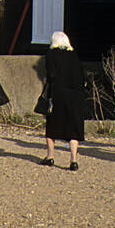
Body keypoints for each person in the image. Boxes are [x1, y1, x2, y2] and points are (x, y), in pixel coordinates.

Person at [40, 31, 87, 170]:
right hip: (76, 95)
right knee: (73, 126)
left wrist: (46, 80)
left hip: (58, 94)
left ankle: (50, 157)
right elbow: (82, 77)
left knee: (52, 125)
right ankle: (73, 160)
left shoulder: (51, 54)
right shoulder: (74, 55)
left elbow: (51, 74)